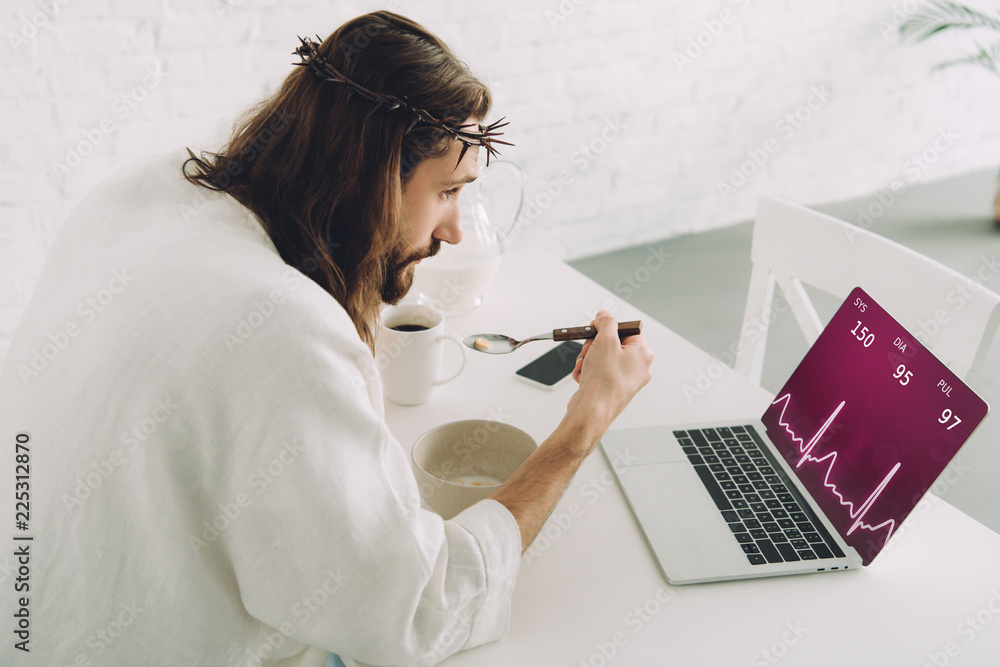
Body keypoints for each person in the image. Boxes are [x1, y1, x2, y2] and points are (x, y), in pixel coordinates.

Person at [0, 11, 653, 667]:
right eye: (448, 191)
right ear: (369, 178)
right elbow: (414, 611)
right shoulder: (280, 326)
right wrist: (582, 424)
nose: (454, 230)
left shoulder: (144, 190)